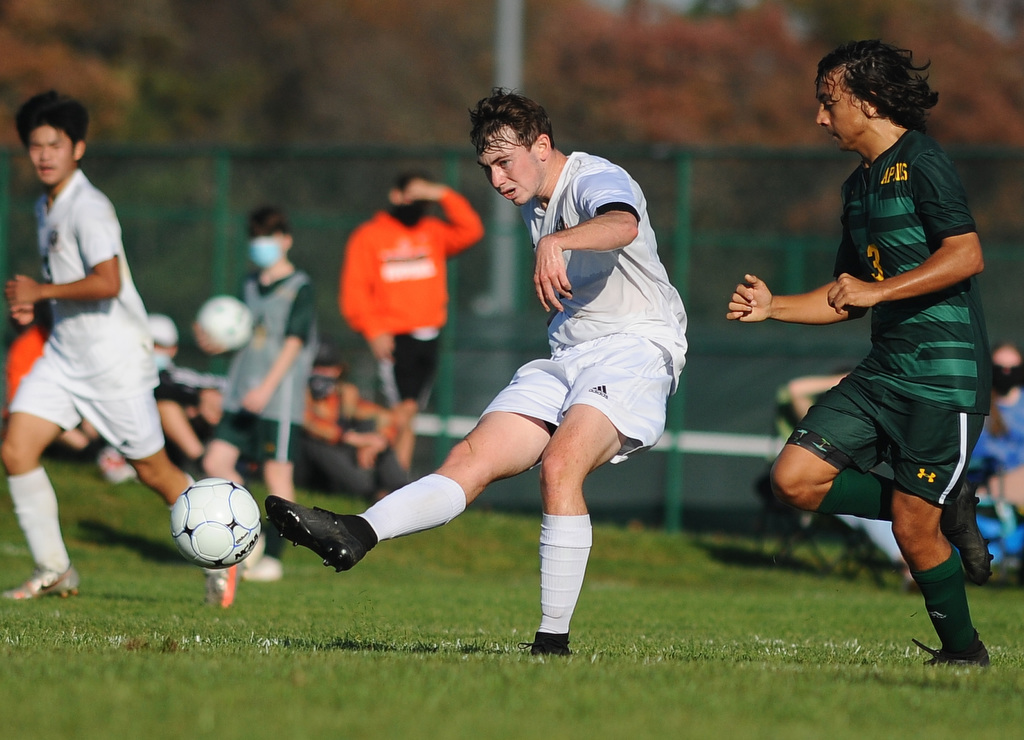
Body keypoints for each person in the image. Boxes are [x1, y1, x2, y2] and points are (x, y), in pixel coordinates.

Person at [266, 88, 688, 657]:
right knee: (469, 460)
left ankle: (551, 644)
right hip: (568, 356)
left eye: (505, 162)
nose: (496, 179)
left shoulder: (595, 177)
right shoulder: (528, 196)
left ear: (542, 146)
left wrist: (559, 242)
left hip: (635, 348)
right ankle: (356, 533)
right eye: (486, 166)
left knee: (561, 464)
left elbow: (622, 223)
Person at [727, 40, 992, 666]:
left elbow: (966, 254)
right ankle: (937, 506)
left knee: (910, 528)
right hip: (883, 374)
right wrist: (776, 307)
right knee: (792, 479)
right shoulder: (856, 189)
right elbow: (846, 295)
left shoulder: (923, 159)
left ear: (869, 102)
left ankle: (965, 653)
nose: (821, 118)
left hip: (943, 378)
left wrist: (879, 290)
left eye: (829, 103)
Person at [0, 91, 236, 607]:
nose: (43, 155)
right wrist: (36, 306)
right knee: (16, 451)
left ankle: (226, 551)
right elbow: (67, 281)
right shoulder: (47, 206)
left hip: (113, 363)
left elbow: (106, 282)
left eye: (54, 145)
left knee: (154, 472)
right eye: (35, 145)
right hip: (64, 358)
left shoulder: (90, 207)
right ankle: (54, 569)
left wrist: (40, 292)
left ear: (78, 148)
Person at [201, 205, 317, 584]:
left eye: (269, 237)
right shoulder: (249, 285)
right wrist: (217, 343)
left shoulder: (300, 287)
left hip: (278, 400)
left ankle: (275, 556)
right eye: (256, 238)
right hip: (240, 394)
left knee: (277, 478)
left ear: (286, 240)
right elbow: (243, 334)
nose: (261, 245)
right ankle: (249, 534)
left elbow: (294, 343)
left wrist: (267, 387)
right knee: (215, 462)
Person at [339, 171, 484, 472]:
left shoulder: (433, 231)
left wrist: (441, 194)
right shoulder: (369, 236)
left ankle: (396, 480)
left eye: (423, 198)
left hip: (429, 336)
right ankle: (378, 465)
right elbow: (354, 291)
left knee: (409, 412)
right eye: (411, 194)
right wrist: (374, 330)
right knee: (402, 410)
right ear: (396, 195)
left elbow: (471, 230)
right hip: (395, 337)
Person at [296, 340, 408, 501]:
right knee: (315, 444)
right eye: (315, 368)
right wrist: (356, 440)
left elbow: (384, 417)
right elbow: (311, 425)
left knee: (375, 433)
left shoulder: (344, 394)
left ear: (337, 370)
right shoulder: (298, 394)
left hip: (342, 455)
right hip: (311, 468)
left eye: (326, 368)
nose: (320, 373)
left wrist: (377, 442)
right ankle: (369, 491)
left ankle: (399, 489)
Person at [148, 313, 227, 480]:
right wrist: (196, 399)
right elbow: (158, 388)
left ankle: (209, 463)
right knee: (166, 406)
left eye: (158, 345)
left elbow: (218, 387)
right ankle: (202, 462)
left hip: (175, 439)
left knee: (213, 399)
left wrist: (203, 397)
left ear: (173, 349)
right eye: (148, 344)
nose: (152, 350)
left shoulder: (181, 375)